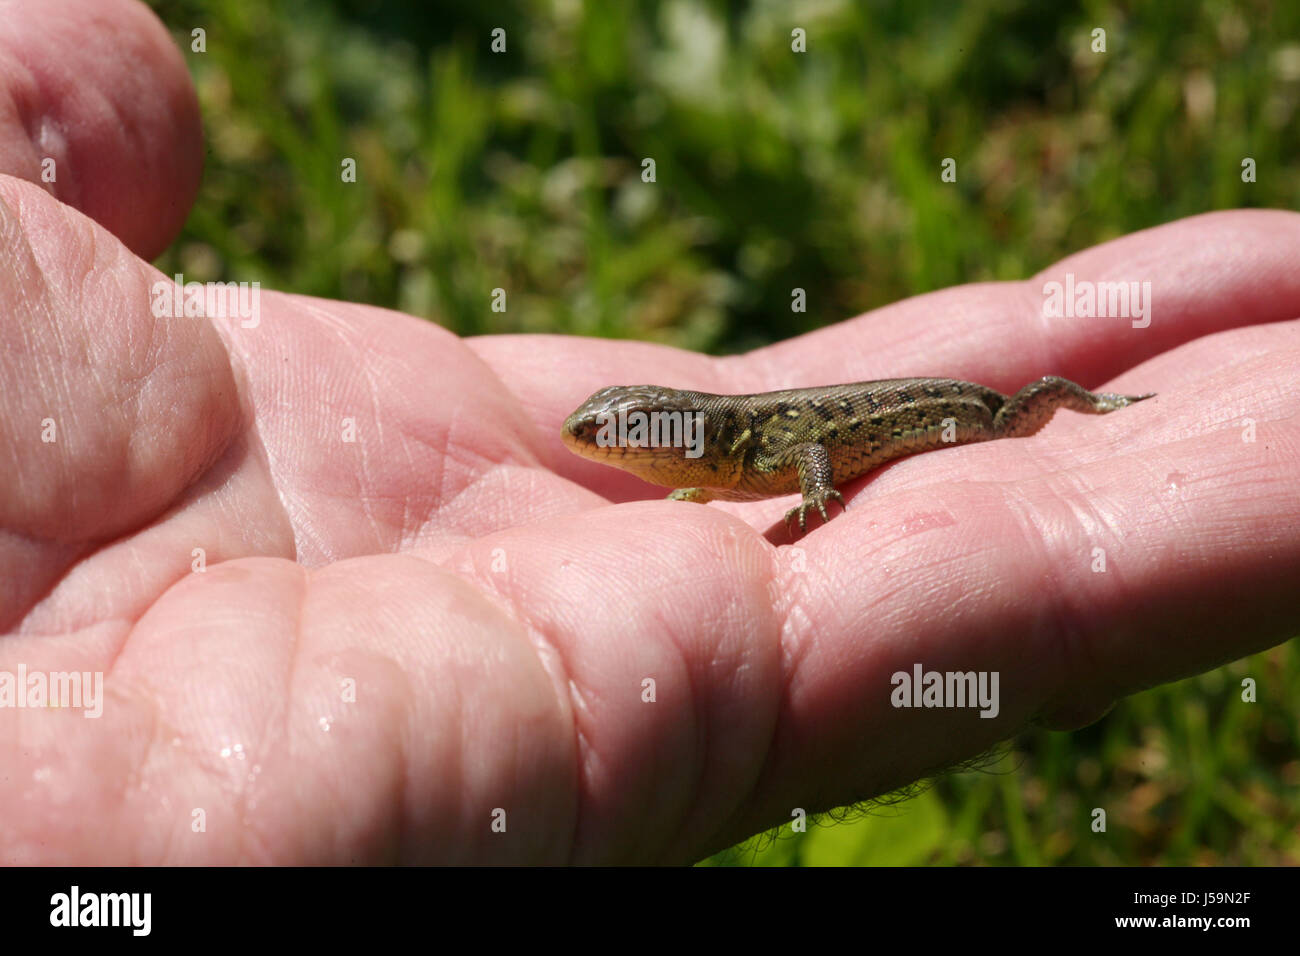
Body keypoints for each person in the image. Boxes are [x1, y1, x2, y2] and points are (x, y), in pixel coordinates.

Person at [1, 0, 1296, 864]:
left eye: (627, 428)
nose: (603, 439)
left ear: (679, 431)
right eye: (613, 430)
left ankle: (1098, 399)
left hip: (928, 416)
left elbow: (808, 454)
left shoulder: (760, 446)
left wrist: (810, 507)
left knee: (1013, 413)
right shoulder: (703, 462)